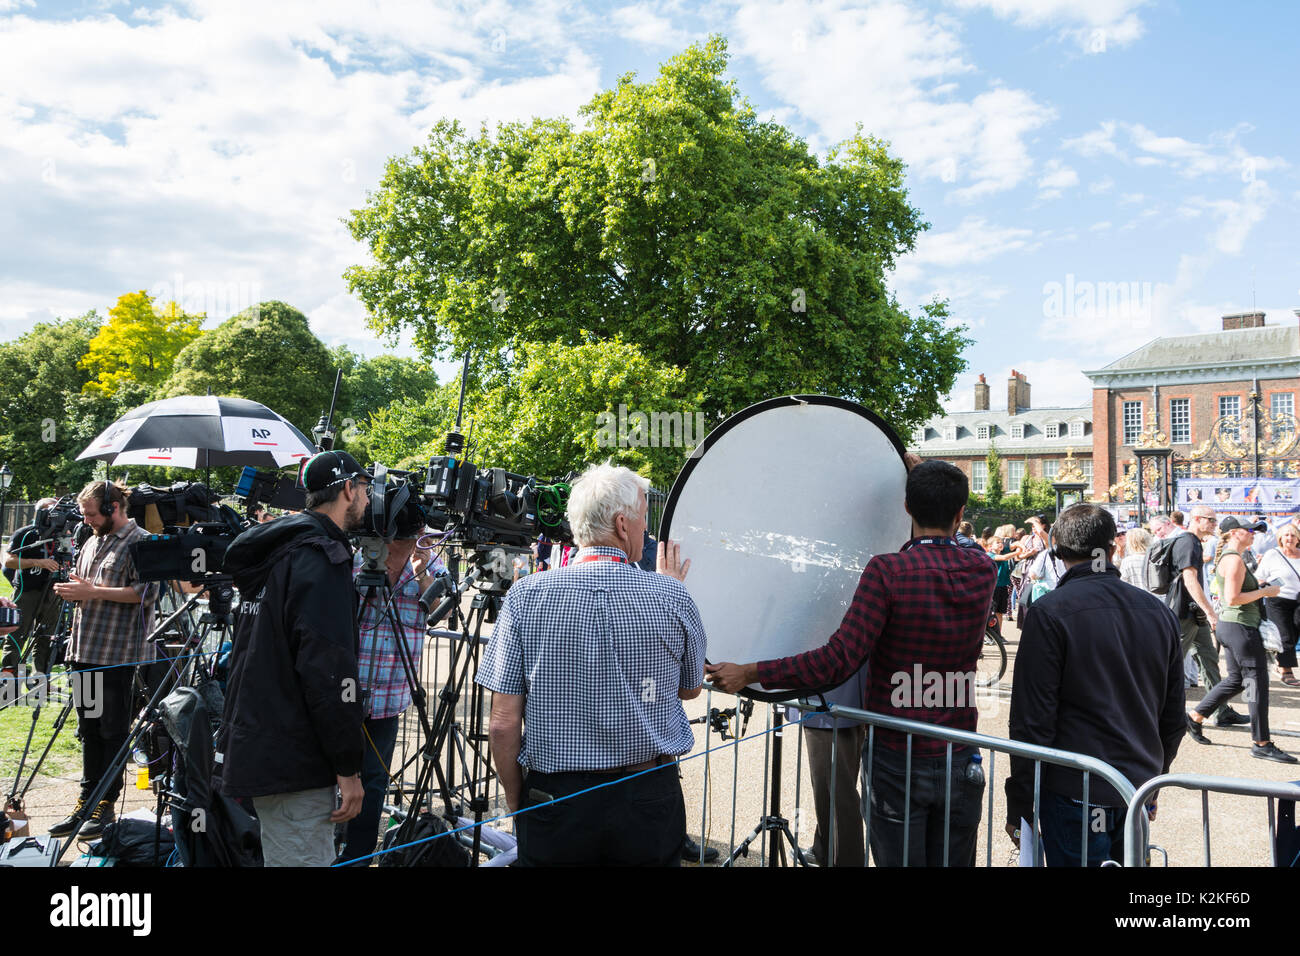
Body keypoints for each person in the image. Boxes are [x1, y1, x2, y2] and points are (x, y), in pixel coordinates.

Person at [706, 460, 996, 867]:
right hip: (961, 755)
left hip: (899, 759)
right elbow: (963, 549)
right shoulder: (982, 568)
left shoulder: (889, 571)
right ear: (961, 513)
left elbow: (836, 660)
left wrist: (752, 671)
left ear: (907, 508)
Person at [477, 462, 704, 866]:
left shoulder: (525, 596)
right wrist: (672, 594)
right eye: (643, 522)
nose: (646, 533)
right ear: (621, 524)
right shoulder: (672, 596)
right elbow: (690, 688)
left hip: (554, 801)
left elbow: (502, 722)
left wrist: (518, 805)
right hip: (647, 797)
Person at [1005, 504, 1182, 865]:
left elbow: (1031, 720)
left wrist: (1021, 802)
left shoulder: (1051, 612)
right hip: (1130, 786)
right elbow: (1173, 715)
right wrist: (1154, 781)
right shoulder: (1157, 612)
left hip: (1078, 789)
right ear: (1112, 548)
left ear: (1057, 551)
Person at [217, 450, 370, 866]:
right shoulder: (319, 556)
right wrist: (348, 768)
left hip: (263, 744)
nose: (370, 501)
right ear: (347, 490)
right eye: (366, 489)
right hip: (293, 759)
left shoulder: (279, 547)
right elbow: (327, 673)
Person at [47, 481, 158, 839]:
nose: (87, 520)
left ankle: (105, 804)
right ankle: (86, 799)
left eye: (92, 513)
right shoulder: (93, 539)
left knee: (112, 730)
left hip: (116, 655)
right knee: (89, 729)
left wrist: (91, 591)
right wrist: (76, 590)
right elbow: (91, 589)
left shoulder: (140, 541)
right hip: (83, 650)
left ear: (113, 508)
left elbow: (145, 593)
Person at [335, 506, 438, 865]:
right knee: (330, 775)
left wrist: (423, 573)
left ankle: (358, 856)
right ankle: (327, 846)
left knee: (373, 782)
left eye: (407, 545)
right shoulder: (358, 559)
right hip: (344, 692)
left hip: (390, 696)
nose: (398, 553)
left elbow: (442, 609)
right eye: (394, 544)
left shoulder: (428, 565)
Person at [1187, 517, 1295, 762]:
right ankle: (1261, 742)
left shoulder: (1230, 556)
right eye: (1250, 531)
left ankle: (1195, 716)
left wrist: (1259, 586)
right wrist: (1265, 591)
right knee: (1257, 685)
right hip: (1240, 627)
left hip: (1233, 626)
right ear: (1236, 533)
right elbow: (1233, 597)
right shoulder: (1233, 559)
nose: (1254, 535)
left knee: (1237, 680)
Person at [1170, 505, 1247, 731]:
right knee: (1172, 666)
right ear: (1196, 519)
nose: (1215, 524)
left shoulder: (1195, 542)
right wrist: (1211, 613)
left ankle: (1221, 711)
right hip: (1186, 613)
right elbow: (1189, 580)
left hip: (1194, 613)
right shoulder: (1188, 542)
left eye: (1214, 520)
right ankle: (1161, 712)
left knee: (1209, 658)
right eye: (1211, 520)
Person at [1, 497, 62, 680]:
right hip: (27, 590)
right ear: (41, 512)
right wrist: (39, 562)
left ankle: (39, 677)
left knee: (47, 636)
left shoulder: (62, 535)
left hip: (53, 591)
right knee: (16, 633)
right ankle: (10, 676)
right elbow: (8, 561)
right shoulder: (26, 533)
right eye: (51, 511)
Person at [1258, 522, 1300, 686]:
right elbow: (1260, 576)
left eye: (1293, 535)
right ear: (1280, 538)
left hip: (1298, 600)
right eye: (1286, 535)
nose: (1289, 538)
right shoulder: (1272, 554)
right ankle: (1286, 670)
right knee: (1285, 635)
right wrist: (1262, 589)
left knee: (1296, 629)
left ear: (1298, 538)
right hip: (1277, 599)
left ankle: (1278, 659)